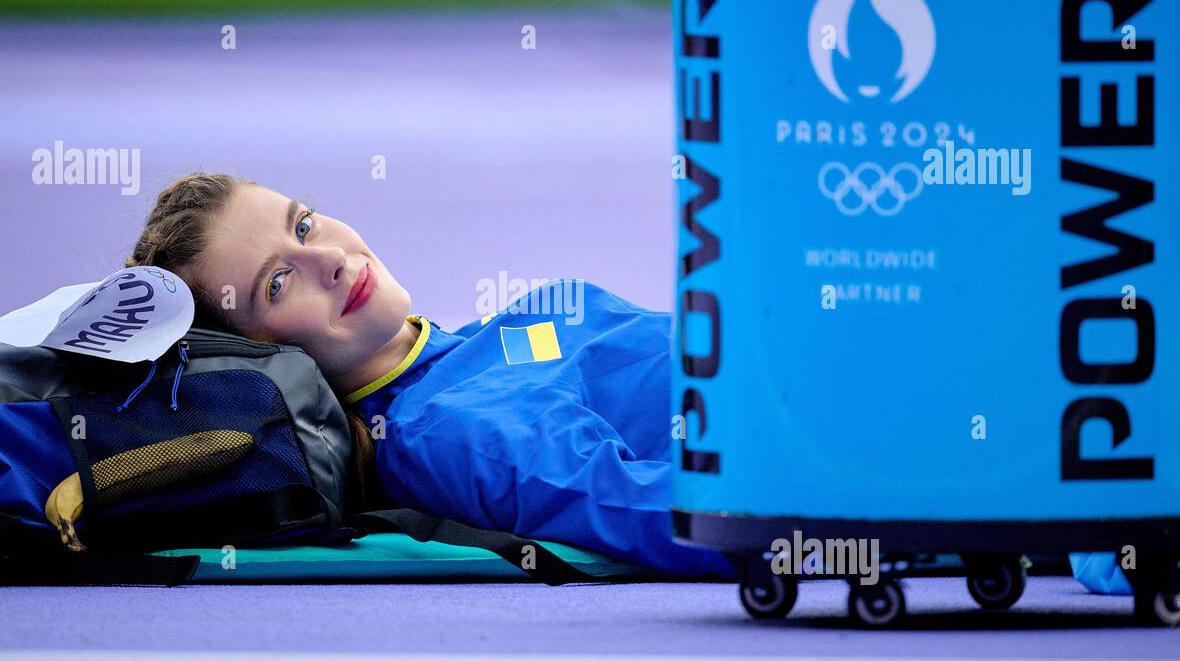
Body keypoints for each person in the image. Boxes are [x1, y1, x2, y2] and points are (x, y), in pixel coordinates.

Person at [126, 173, 736, 580]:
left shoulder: (472, 350)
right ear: (258, 355)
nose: (330, 261)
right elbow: (689, 517)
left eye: (304, 225)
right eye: (278, 283)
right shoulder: (451, 432)